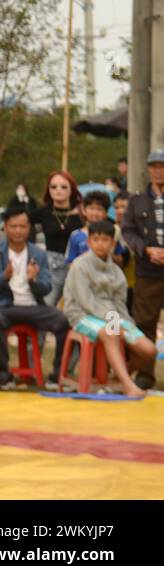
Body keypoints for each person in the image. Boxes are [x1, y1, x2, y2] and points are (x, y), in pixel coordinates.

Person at [0, 205, 69, 389]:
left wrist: (33, 280)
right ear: (5, 227)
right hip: (5, 307)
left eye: (23, 226)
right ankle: (5, 373)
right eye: (14, 226)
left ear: (30, 228)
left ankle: (56, 374)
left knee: (62, 320)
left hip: (33, 306)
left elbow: (47, 288)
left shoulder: (38, 253)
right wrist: (4, 277)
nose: (18, 231)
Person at [64, 220, 155, 398]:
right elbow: (85, 301)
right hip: (81, 314)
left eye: (105, 240)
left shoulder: (116, 272)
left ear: (113, 244)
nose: (100, 243)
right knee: (111, 333)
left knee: (149, 350)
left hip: (112, 316)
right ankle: (128, 386)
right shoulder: (79, 266)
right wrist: (113, 322)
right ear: (89, 242)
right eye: (96, 239)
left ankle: (115, 378)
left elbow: (119, 304)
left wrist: (126, 323)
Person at [117, 147, 164, 390]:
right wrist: (146, 249)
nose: (159, 171)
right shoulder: (137, 200)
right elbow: (128, 230)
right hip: (148, 270)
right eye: (154, 166)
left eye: (162, 166)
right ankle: (145, 375)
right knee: (145, 322)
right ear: (148, 169)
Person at [30, 170, 83, 308]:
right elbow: (18, 222)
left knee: (77, 306)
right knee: (47, 304)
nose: (58, 190)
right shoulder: (44, 212)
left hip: (78, 265)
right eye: (53, 187)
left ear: (72, 190)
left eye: (63, 187)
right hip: (51, 264)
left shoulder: (83, 214)